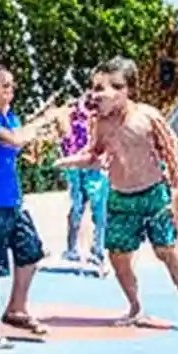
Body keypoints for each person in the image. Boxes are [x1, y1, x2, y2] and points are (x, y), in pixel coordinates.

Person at [55, 57, 178, 333]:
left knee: (168, 252)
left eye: (102, 89)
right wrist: (71, 161)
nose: (94, 95)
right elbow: (96, 154)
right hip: (121, 196)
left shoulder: (148, 118)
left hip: (153, 195)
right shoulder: (101, 124)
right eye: (94, 88)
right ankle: (135, 306)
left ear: (124, 90)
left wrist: (177, 201)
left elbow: (172, 159)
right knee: (118, 256)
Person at [0, 59, 65, 349]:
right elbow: (14, 140)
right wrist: (44, 120)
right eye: (4, 86)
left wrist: (45, 131)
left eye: (12, 86)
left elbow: (20, 144)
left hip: (11, 202)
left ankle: (16, 308)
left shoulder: (6, 116)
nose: (11, 91)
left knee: (31, 252)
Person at [59, 92, 110, 274]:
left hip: (92, 164)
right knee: (79, 205)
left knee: (98, 207)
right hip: (76, 163)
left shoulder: (102, 116)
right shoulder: (72, 113)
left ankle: (98, 249)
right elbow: (64, 134)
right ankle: (74, 248)